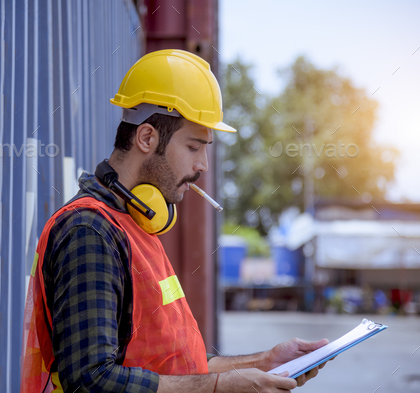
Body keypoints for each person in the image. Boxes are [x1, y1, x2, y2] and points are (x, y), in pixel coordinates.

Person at [21, 49, 329, 393]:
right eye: (194, 146)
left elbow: (178, 366)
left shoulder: (136, 224)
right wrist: (219, 388)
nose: (203, 166)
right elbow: (90, 380)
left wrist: (264, 362)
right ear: (147, 138)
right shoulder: (88, 232)